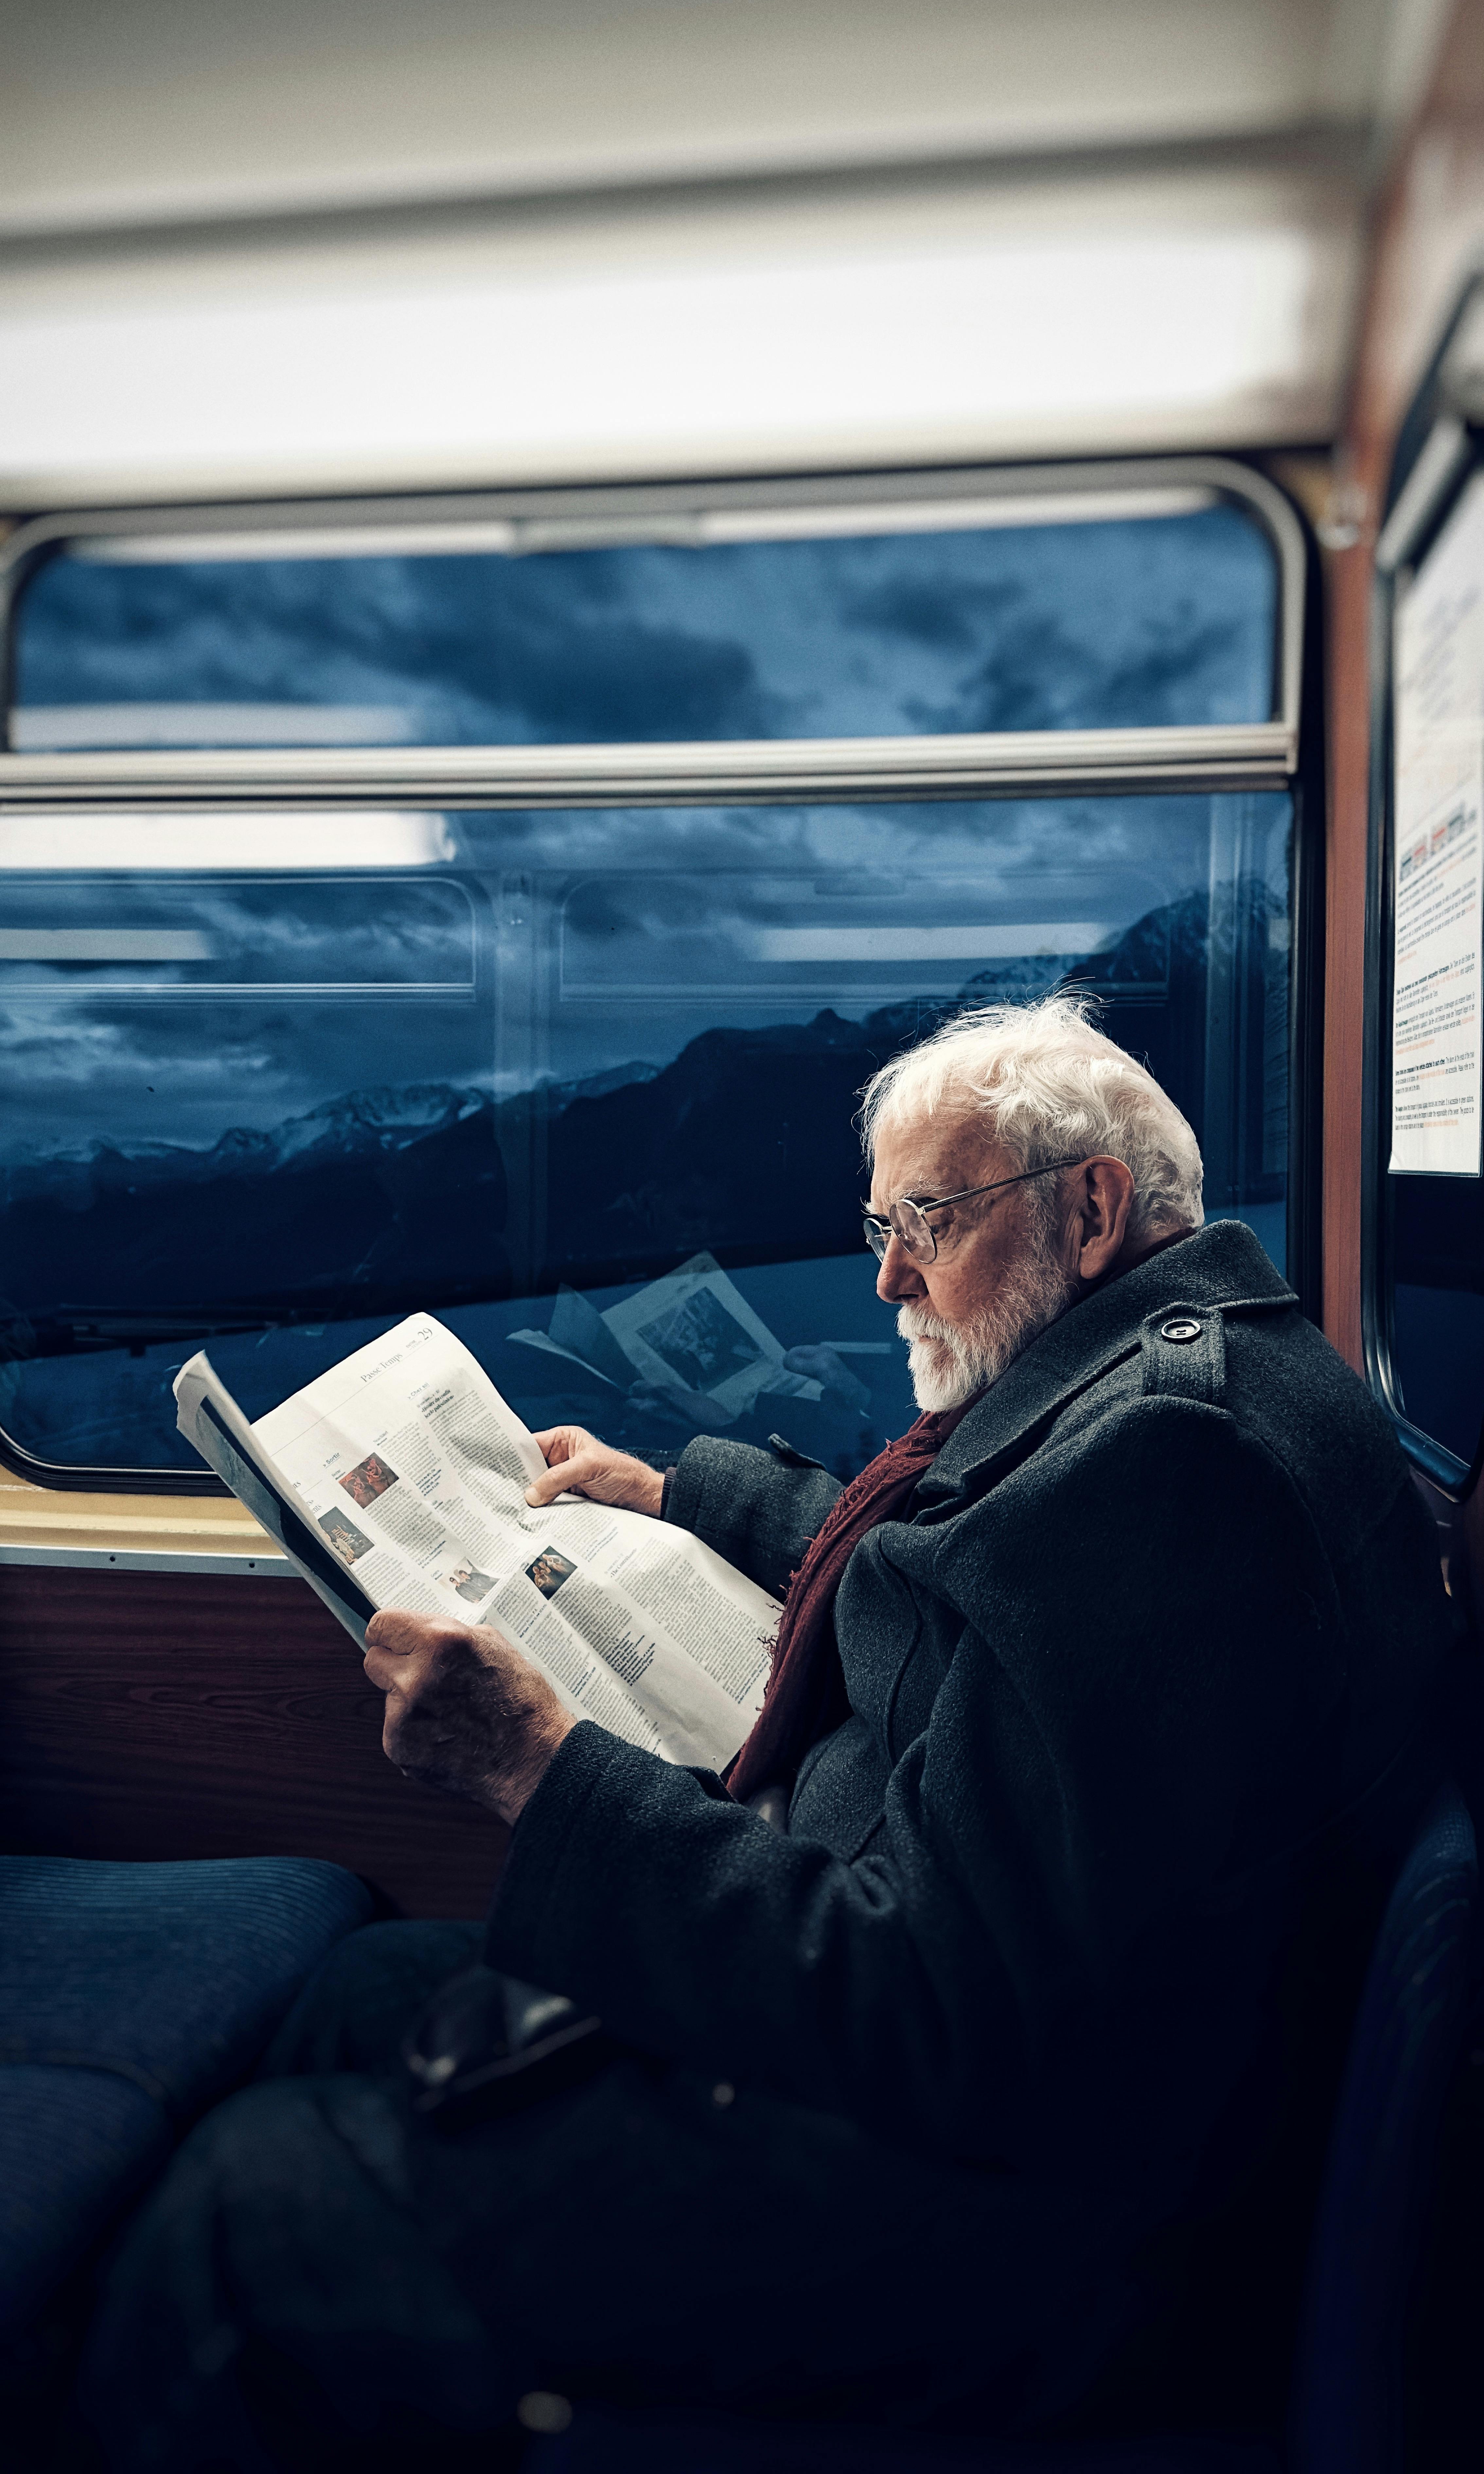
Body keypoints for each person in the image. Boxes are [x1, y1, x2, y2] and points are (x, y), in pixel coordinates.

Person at [80, 999, 1459, 2471]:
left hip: (1034, 2223)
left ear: (1095, 1205)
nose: (885, 1278)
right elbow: (972, 1567)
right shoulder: (1179, 1380)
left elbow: (939, 2018)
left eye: (925, 1221)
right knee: (366, 1988)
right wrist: (681, 1495)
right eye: (880, 1225)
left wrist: (537, 1764)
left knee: (249, 2201)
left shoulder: (1172, 1463)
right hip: (1044, 2094)